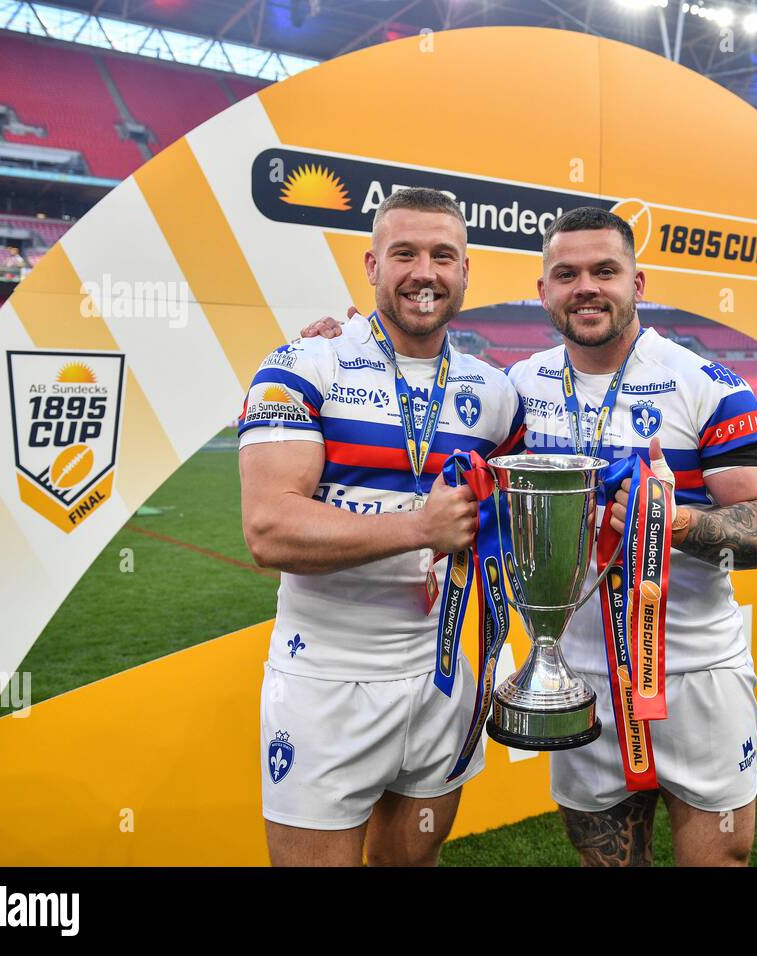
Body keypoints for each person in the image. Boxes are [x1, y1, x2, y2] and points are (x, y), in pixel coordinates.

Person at [304, 208, 757, 867]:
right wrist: (335, 344)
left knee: (719, 858)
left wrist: (670, 521)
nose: (585, 287)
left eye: (605, 271)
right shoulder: (519, 389)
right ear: (544, 292)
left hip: (693, 674)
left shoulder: (708, 388)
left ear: (638, 283)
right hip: (572, 672)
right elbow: (420, 390)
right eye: (566, 274)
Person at [240, 187, 524, 867]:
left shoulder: (497, 395)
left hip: (446, 680)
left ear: (464, 271)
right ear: (371, 265)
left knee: (412, 862)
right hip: (327, 682)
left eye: (442, 256)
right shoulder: (304, 365)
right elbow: (269, 529)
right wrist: (419, 527)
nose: (424, 272)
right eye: (405, 254)